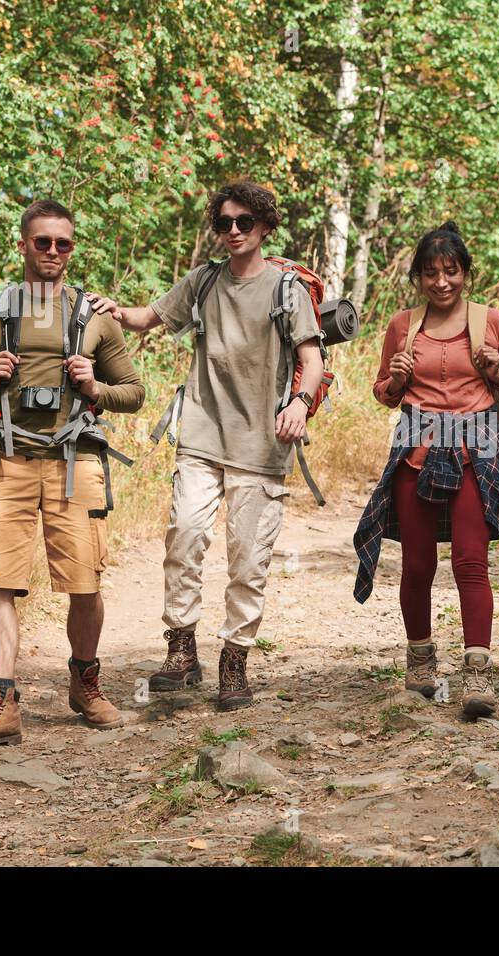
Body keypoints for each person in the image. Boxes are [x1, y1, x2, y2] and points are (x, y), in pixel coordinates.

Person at [86, 180, 323, 711]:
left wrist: (299, 405)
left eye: (244, 222)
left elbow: (312, 359)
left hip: (262, 445)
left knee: (248, 559)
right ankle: (182, 650)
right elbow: (150, 317)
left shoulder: (287, 290)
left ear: (264, 227)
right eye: (224, 223)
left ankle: (234, 662)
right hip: (200, 434)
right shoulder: (203, 282)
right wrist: (113, 310)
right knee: (184, 537)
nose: (233, 231)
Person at [0, 199, 145, 746]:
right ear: (24, 244)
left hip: (76, 465)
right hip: (5, 464)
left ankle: (85, 685)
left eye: (64, 243)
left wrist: (95, 387)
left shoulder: (95, 315)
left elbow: (135, 394)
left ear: (72, 248)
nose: (53, 251)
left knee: (85, 582)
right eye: (43, 241)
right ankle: (1, 708)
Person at [354, 222, 499, 718]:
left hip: (476, 445)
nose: (441, 282)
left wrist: (494, 372)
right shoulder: (403, 326)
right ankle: (420, 663)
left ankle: (477, 674)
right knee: (418, 562)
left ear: (466, 273)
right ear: (418, 279)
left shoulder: (492, 320)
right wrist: (396, 380)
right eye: (430, 273)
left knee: (470, 560)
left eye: (451, 271)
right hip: (416, 446)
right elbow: (383, 393)